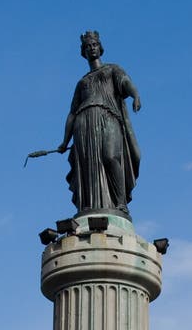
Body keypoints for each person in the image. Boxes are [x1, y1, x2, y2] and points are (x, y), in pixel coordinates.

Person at [58, 31, 141, 216]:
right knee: (87, 164)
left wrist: (135, 95)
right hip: (84, 123)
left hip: (108, 117)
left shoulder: (112, 69)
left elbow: (126, 82)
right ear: (83, 52)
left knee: (110, 156)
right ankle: (89, 205)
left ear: (100, 47)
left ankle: (120, 203)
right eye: (87, 46)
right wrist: (64, 141)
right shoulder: (82, 83)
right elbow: (72, 113)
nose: (91, 48)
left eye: (94, 44)